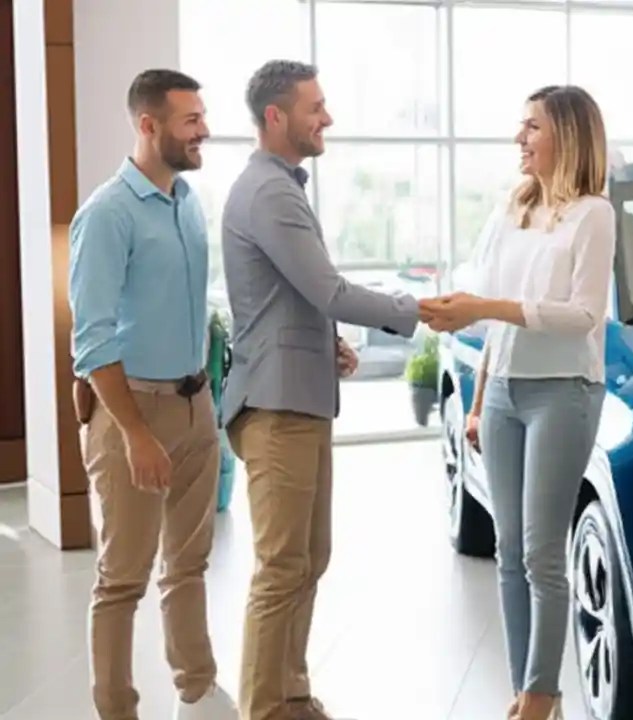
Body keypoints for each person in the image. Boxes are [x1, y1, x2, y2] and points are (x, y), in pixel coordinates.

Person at [218, 59, 432, 720]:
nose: (328, 117)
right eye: (317, 106)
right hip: (277, 408)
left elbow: (291, 298)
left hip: (298, 398)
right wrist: (417, 310)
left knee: (308, 558)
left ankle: (291, 695)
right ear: (276, 117)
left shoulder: (281, 186)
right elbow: (329, 289)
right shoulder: (271, 191)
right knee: (282, 566)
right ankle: (264, 707)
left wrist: (324, 342)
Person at [423, 84, 615, 720]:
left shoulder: (593, 215)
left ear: (566, 134)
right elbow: (494, 318)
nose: (520, 137)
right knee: (508, 551)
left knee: (540, 553)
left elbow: (583, 315)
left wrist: (483, 308)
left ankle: (543, 695)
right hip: (503, 392)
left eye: (532, 126)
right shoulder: (512, 208)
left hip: (564, 394)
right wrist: (478, 401)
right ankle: (524, 694)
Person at [68, 69, 239, 720]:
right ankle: (117, 711)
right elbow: (92, 339)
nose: (204, 130)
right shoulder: (107, 213)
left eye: (202, 116)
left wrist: (210, 403)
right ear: (148, 125)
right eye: (191, 120)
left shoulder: (188, 199)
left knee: (189, 563)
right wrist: (136, 432)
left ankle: (196, 692)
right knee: (122, 580)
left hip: (197, 404)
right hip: (132, 413)